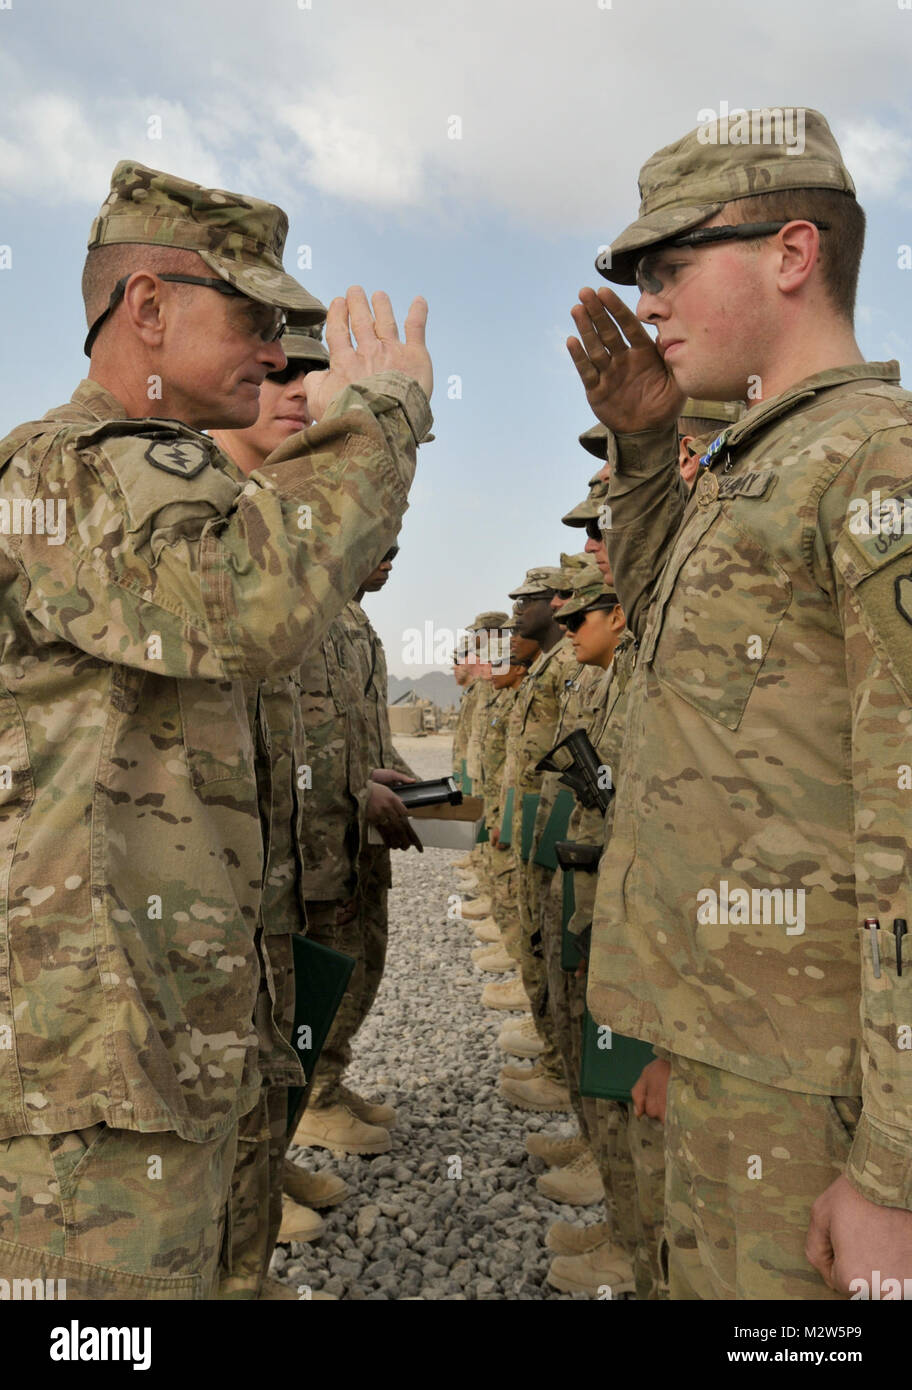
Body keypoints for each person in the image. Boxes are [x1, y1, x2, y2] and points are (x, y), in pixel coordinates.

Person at [0, 161, 432, 1299]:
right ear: (146, 307)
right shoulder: (69, 468)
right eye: (253, 315)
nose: (277, 352)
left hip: (181, 1037)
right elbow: (252, 601)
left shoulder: (174, 485)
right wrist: (384, 412)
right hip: (91, 1066)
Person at [569, 106, 912, 1300]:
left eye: (672, 267)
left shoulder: (875, 466)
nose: (649, 302)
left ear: (793, 254)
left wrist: (894, 1170)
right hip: (736, 1052)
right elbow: (659, 620)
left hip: (826, 1091)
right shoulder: (752, 463)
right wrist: (642, 443)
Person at [294, 546, 423, 1156]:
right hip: (319, 843)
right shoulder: (303, 614)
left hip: (359, 839)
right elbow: (290, 734)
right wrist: (355, 787)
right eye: (376, 542)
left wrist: (400, 779)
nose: (391, 555)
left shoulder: (354, 620)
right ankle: (308, 1100)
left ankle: (327, 1080)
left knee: (362, 965)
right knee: (323, 974)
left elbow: (359, 729)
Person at [498, 568, 577, 1112]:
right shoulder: (543, 668)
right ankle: (554, 1056)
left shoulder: (566, 666)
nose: (518, 612)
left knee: (552, 945)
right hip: (532, 817)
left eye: (528, 601)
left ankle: (560, 1068)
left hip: (555, 824)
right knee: (534, 936)